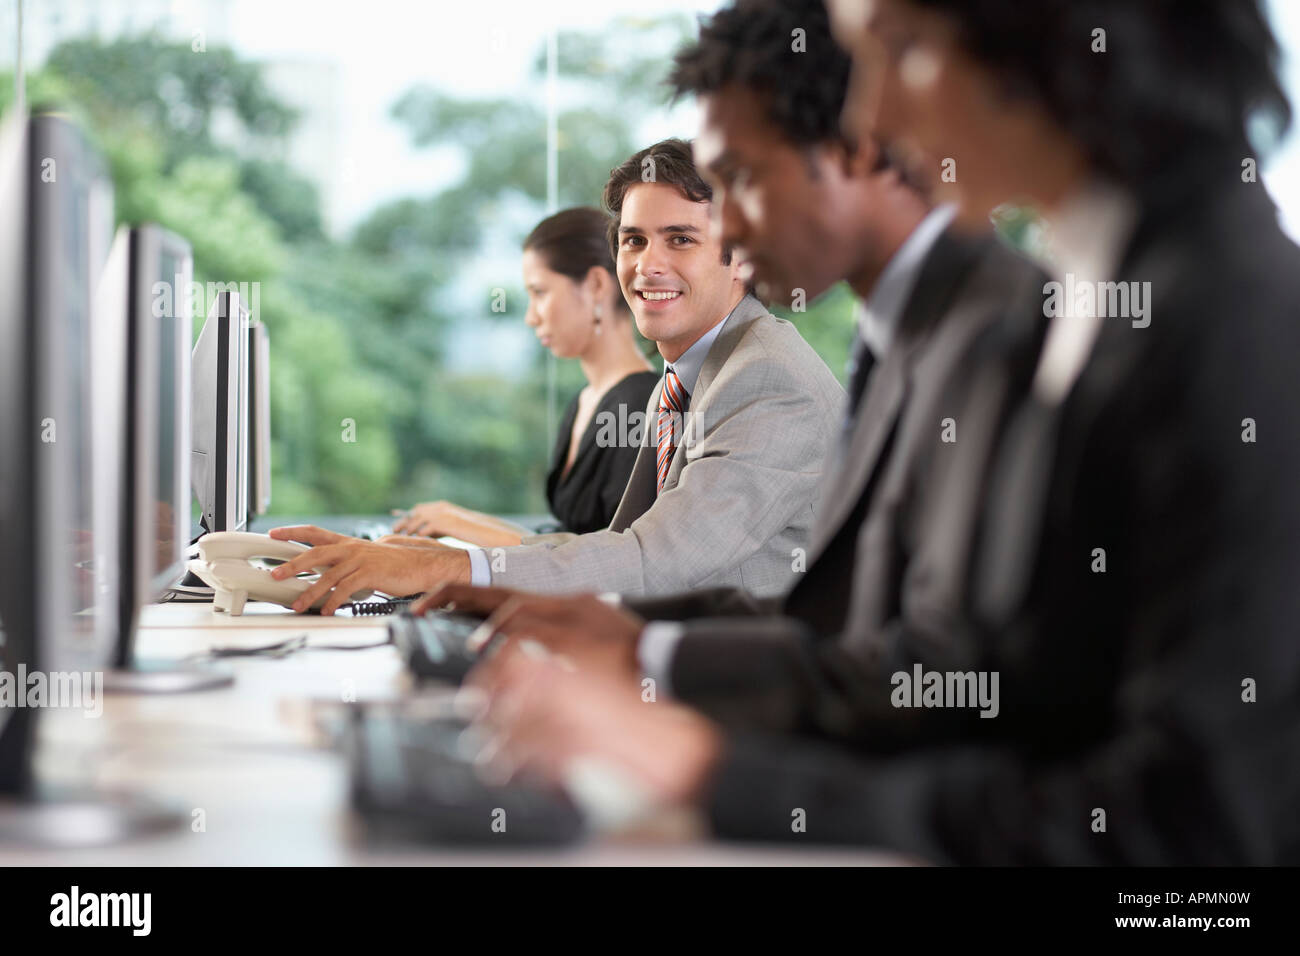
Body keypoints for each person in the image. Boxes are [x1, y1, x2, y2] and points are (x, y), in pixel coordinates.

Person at [461, 0, 1300, 865]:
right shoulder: (1090, 299)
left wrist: (715, 773)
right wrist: (658, 664)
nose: (872, 121)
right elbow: (977, 679)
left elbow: (1200, 826)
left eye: (902, 52)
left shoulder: (1226, 323)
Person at [416, 0, 1047, 736]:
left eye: (742, 179)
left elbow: (958, 684)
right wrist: (647, 650)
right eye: (635, 240)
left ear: (863, 137)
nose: (732, 231)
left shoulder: (995, 336)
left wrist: (701, 768)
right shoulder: (898, 334)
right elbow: (838, 624)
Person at [267, 139, 844, 613]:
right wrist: (436, 559)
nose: (648, 265)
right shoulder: (690, 376)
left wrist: (448, 565)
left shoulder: (767, 381)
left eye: (681, 240)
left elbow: (658, 560)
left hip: (753, 706)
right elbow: (617, 547)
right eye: (633, 240)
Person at [393, 208, 656, 546]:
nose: (531, 317)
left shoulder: (640, 406)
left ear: (596, 285)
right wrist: (458, 519)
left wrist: (461, 525)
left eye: (540, 292)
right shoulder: (584, 402)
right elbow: (566, 538)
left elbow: (612, 555)